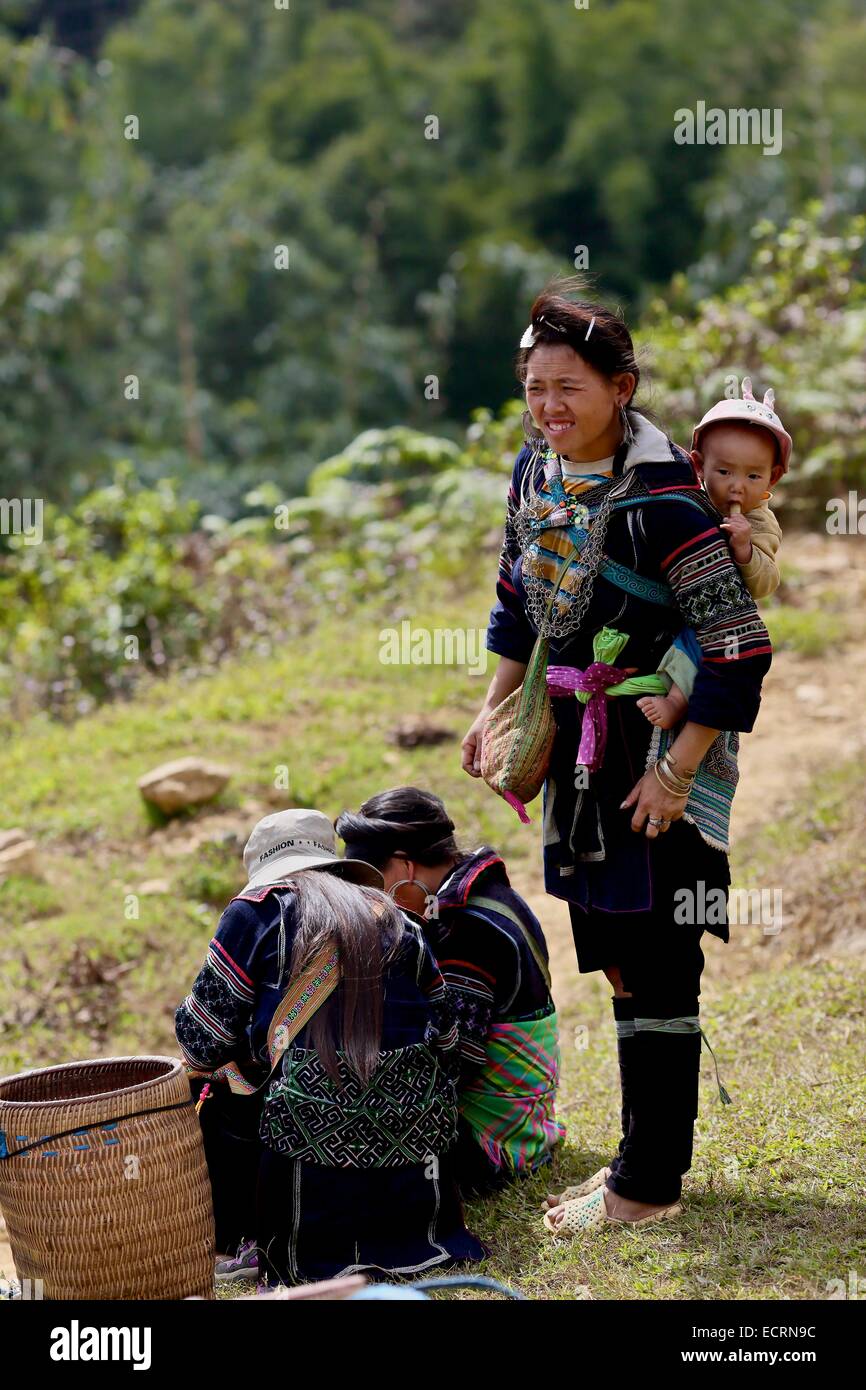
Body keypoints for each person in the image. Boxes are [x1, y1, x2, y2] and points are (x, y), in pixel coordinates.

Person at [461, 277, 773, 1235]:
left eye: (572, 390)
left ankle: (646, 1185)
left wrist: (675, 771)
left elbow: (736, 644)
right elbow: (518, 596)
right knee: (621, 960)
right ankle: (641, 1169)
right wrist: (494, 706)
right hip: (577, 754)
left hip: (652, 758)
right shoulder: (536, 475)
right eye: (535, 390)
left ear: (623, 387)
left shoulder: (666, 502)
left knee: (662, 954)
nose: (550, 409)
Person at [175, 808, 485, 1284]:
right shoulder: (399, 920)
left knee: (222, 1093)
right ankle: (415, 1238)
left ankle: (250, 1241)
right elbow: (446, 1039)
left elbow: (201, 1043)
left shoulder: (255, 914)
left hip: (310, 1160)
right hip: (416, 1144)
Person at [335, 786, 565, 1195]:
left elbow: (450, 1066)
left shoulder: (466, 929)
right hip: (526, 1129)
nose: (365, 899)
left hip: (490, 1147)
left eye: (370, 882)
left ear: (405, 869)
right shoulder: (488, 894)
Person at [638, 377, 789, 730]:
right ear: (698, 465)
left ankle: (676, 701)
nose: (737, 485)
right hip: (675, 604)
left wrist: (745, 550)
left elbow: (767, 581)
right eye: (724, 472)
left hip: (720, 616)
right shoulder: (690, 502)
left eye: (754, 476)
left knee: (703, 645)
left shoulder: (760, 524)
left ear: (774, 478)